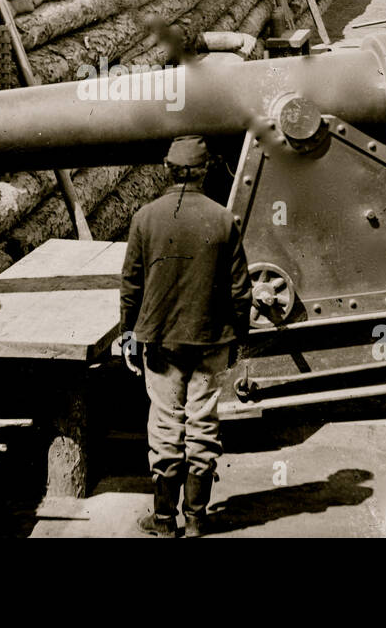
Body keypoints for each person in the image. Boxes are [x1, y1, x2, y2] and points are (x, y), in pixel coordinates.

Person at [119, 135, 252, 537]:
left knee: (165, 427)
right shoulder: (223, 218)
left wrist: (129, 333)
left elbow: (131, 284)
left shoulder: (145, 217)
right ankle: (196, 519)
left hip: (161, 341)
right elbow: (240, 290)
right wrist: (238, 339)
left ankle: (163, 522)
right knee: (203, 425)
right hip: (212, 339)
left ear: (167, 169)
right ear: (206, 170)